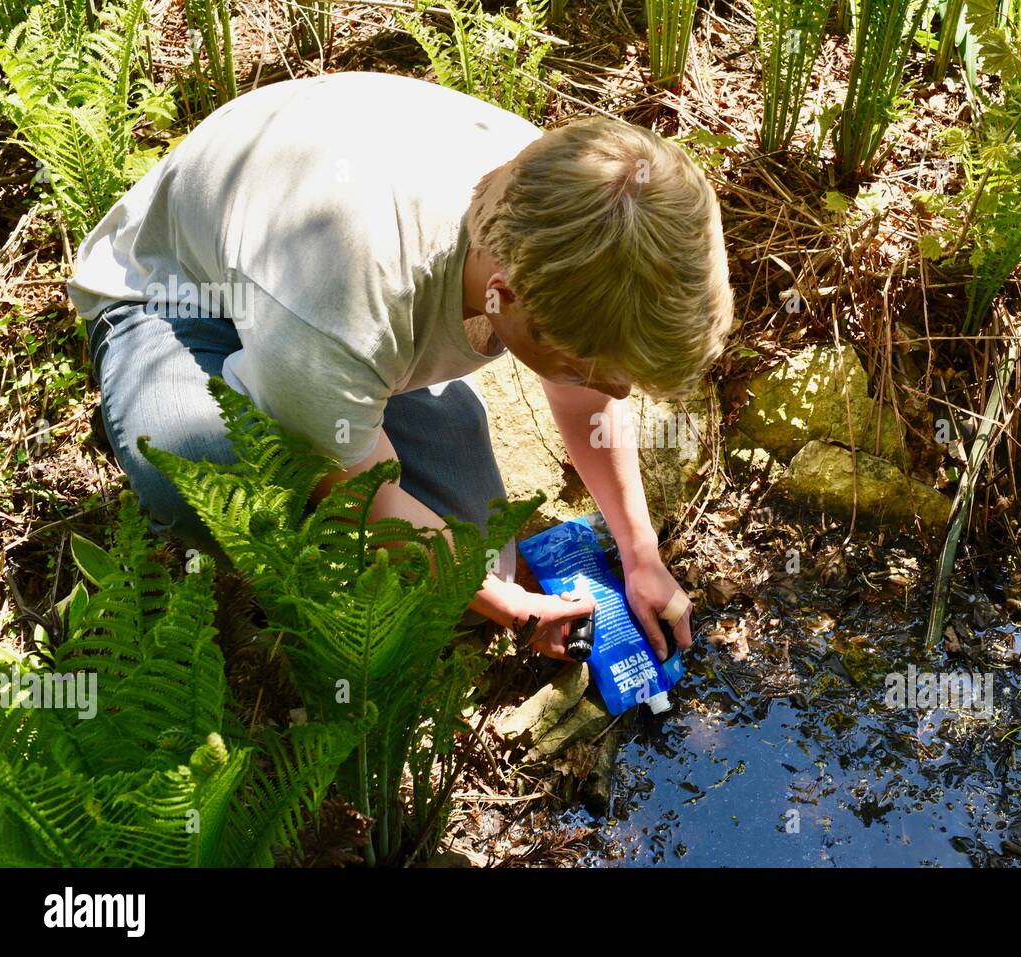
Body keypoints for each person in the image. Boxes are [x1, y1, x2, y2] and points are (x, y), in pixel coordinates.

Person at [67, 71, 734, 662]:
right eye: (591, 368)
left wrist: (639, 547)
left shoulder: (572, 202)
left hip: (302, 307)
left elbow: (584, 384)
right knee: (209, 473)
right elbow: (351, 486)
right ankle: (164, 430)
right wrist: (503, 605)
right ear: (505, 295)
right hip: (173, 293)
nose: (613, 390)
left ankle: (329, 402)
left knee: (478, 554)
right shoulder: (349, 297)